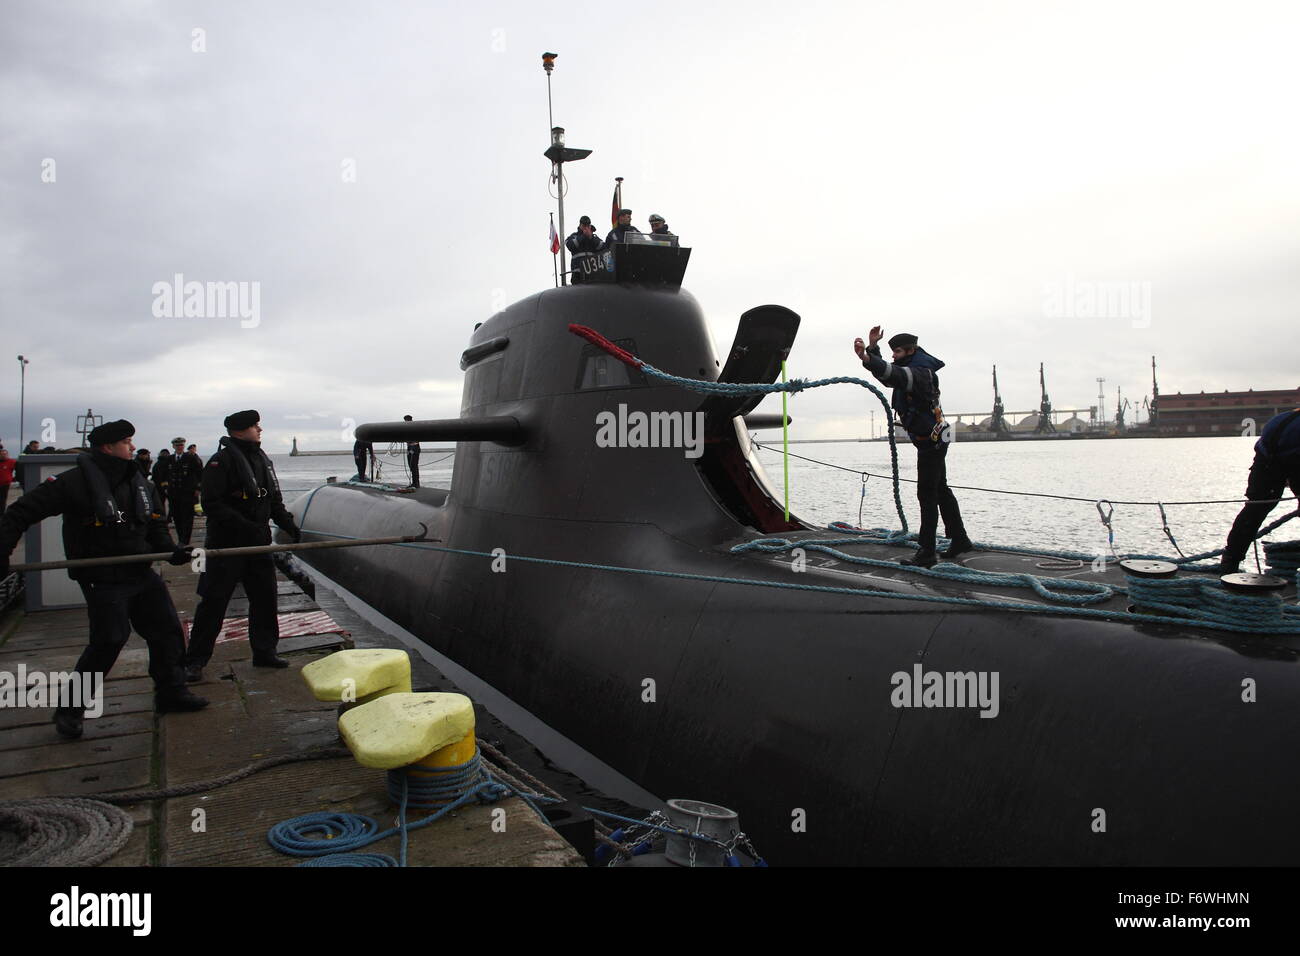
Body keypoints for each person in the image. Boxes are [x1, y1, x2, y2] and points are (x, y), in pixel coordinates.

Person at [0, 420, 207, 737]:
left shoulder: (139, 481)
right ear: (107, 447)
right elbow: (19, 513)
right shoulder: (74, 483)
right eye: (126, 442)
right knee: (109, 640)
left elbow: (153, 526)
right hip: (102, 577)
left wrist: (171, 551)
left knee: (167, 631)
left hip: (139, 571)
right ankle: (70, 710)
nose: (133, 447)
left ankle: (171, 692)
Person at [183, 411, 301, 682]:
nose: (259, 429)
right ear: (239, 430)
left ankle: (265, 652)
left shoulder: (261, 459)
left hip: (257, 546)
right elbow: (213, 504)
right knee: (214, 602)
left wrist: (288, 524)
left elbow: (273, 499)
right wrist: (248, 526)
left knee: (265, 598)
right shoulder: (220, 462)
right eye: (254, 426)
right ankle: (195, 660)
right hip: (227, 547)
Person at [854, 328, 972, 568]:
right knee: (940, 490)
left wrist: (868, 357)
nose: (894, 356)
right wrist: (872, 348)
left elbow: (896, 375)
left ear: (911, 350)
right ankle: (959, 539)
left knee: (927, 495)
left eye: (897, 351)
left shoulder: (921, 372)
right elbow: (889, 377)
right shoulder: (913, 365)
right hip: (934, 438)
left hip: (932, 440)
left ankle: (927, 551)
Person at [1219, 407, 1300, 574]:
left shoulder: (1288, 420)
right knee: (1256, 508)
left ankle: (1229, 561)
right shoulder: (1291, 425)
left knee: (1255, 509)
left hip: (1275, 453)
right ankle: (1230, 561)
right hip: (1273, 456)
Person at [167, 437, 202, 545]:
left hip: (187, 492)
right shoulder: (170, 459)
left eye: (181, 445)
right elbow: (164, 474)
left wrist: (198, 488)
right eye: (177, 445)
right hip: (174, 493)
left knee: (187, 517)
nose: (179, 447)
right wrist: (164, 487)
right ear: (173, 446)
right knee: (177, 517)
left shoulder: (191, 458)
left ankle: (184, 541)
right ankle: (180, 537)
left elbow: (200, 473)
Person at [565, 215, 603, 283]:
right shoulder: (574, 236)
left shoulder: (594, 237)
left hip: (592, 272)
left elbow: (603, 247)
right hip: (577, 273)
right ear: (580, 225)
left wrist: (591, 237)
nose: (586, 228)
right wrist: (583, 236)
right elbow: (570, 245)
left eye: (587, 226)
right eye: (584, 226)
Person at [151, 448, 172, 518]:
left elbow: (154, 476)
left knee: (160, 504)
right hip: (166, 487)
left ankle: (163, 517)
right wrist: (165, 487)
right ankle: (167, 517)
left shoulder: (157, 464)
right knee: (171, 503)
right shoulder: (167, 464)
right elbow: (165, 476)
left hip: (158, 487)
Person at [403, 414, 420, 488]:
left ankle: (416, 483)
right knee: (411, 466)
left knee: (414, 465)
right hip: (409, 447)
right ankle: (414, 482)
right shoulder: (407, 428)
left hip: (414, 447)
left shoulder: (415, 427)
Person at [0, 447, 14, 519]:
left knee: (2, 499)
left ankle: (2, 514)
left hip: (5, 484)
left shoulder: (11, 462)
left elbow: (18, 469)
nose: (3, 455)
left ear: (7, 455)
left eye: (5, 454)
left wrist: (14, 478)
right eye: (1, 454)